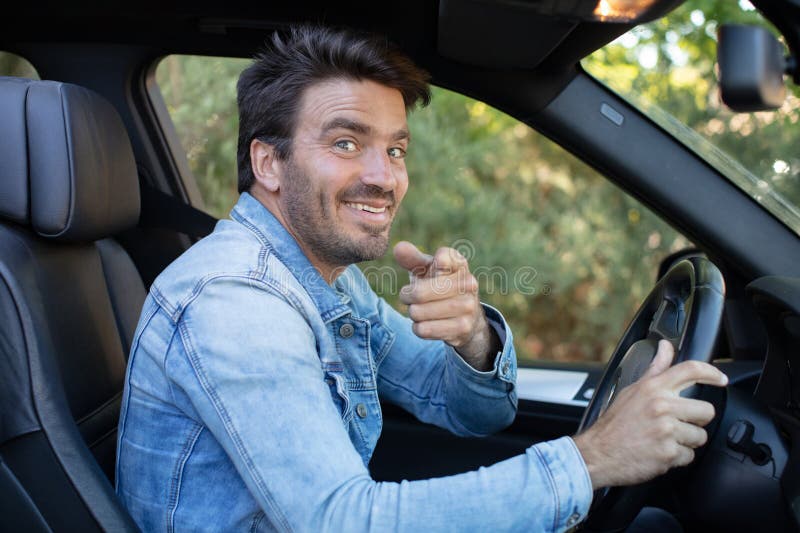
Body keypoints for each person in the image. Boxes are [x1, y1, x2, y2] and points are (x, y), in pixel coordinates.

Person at [115, 25, 728, 532]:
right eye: (347, 142)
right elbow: (343, 523)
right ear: (268, 162)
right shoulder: (235, 302)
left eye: (397, 149)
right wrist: (593, 458)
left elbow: (470, 414)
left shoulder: (325, 278)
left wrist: (472, 342)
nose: (384, 177)